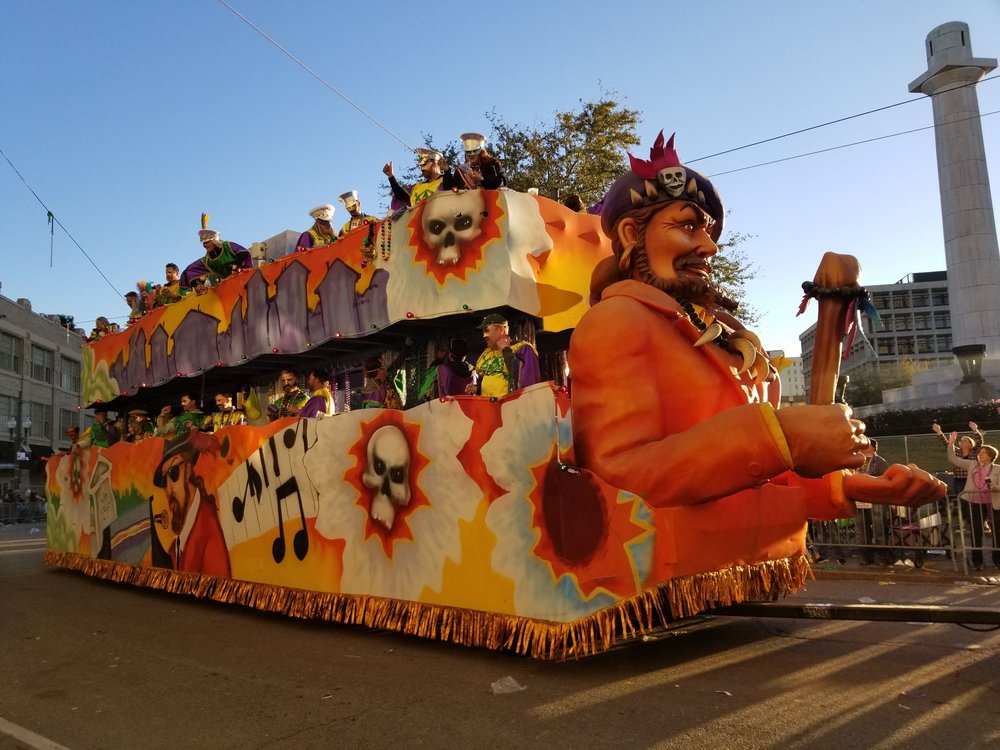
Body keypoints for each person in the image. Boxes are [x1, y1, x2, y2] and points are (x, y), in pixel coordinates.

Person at [568, 130, 943, 583]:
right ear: (632, 234)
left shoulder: (724, 337)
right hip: (652, 579)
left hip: (726, 575)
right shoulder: (616, 321)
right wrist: (787, 434)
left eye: (707, 230)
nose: (709, 247)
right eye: (688, 226)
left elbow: (746, 471)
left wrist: (862, 485)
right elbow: (621, 473)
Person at [153, 435, 231, 577]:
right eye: (164, 480)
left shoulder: (206, 525)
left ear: (188, 469)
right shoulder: (179, 541)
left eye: (173, 473)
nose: (169, 489)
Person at [947, 432, 1000, 570]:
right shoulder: (972, 465)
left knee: (997, 533)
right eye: (980, 452)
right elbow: (954, 459)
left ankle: (997, 561)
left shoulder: (997, 469)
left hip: (993, 504)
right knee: (976, 533)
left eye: (983, 453)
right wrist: (951, 443)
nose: (980, 454)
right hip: (975, 503)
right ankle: (977, 562)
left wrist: (996, 487)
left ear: (990, 456)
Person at [468, 314, 541, 398]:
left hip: (510, 406)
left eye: (487, 330)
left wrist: (506, 350)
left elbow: (529, 380)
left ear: (501, 329)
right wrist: (476, 388)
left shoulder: (523, 348)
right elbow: (483, 380)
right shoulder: (487, 353)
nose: (484, 336)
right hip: (487, 407)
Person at [180, 214, 252, 288]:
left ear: (214, 241)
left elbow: (243, 253)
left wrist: (238, 267)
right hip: (228, 287)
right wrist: (197, 285)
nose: (204, 245)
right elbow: (189, 270)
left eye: (207, 242)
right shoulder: (207, 261)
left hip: (244, 281)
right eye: (203, 243)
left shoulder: (227, 246)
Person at [853, 438, 894, 566]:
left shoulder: (880, 462)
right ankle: (865, 556)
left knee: (879, 528)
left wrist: (869, 480)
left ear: (872, 447)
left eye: (866, 444)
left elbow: (886, 479)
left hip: (876, 500)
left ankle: (882, 557)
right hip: (860, 500)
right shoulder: (858, 461)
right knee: (862, 529)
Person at [383, 148, 461, 209]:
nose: (422, 169)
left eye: (424, 164)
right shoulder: (416, 187)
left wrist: (447, 171)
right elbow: (401, 195)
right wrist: (391, 176)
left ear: (435, 163)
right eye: (420, 166)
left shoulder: (446, 180)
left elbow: (449, 190)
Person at [933, 421, 983, 498]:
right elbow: (947, 444)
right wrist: (939, 431)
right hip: (959, 480)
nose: (961, 442)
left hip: (973, 479)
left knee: (974, 498)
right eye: (961, 441)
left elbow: (979, 442)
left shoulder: (974, 451)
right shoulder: (957, 451)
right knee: (961, 498)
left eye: (964, 440)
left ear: (970, 444)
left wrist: (975, 430)